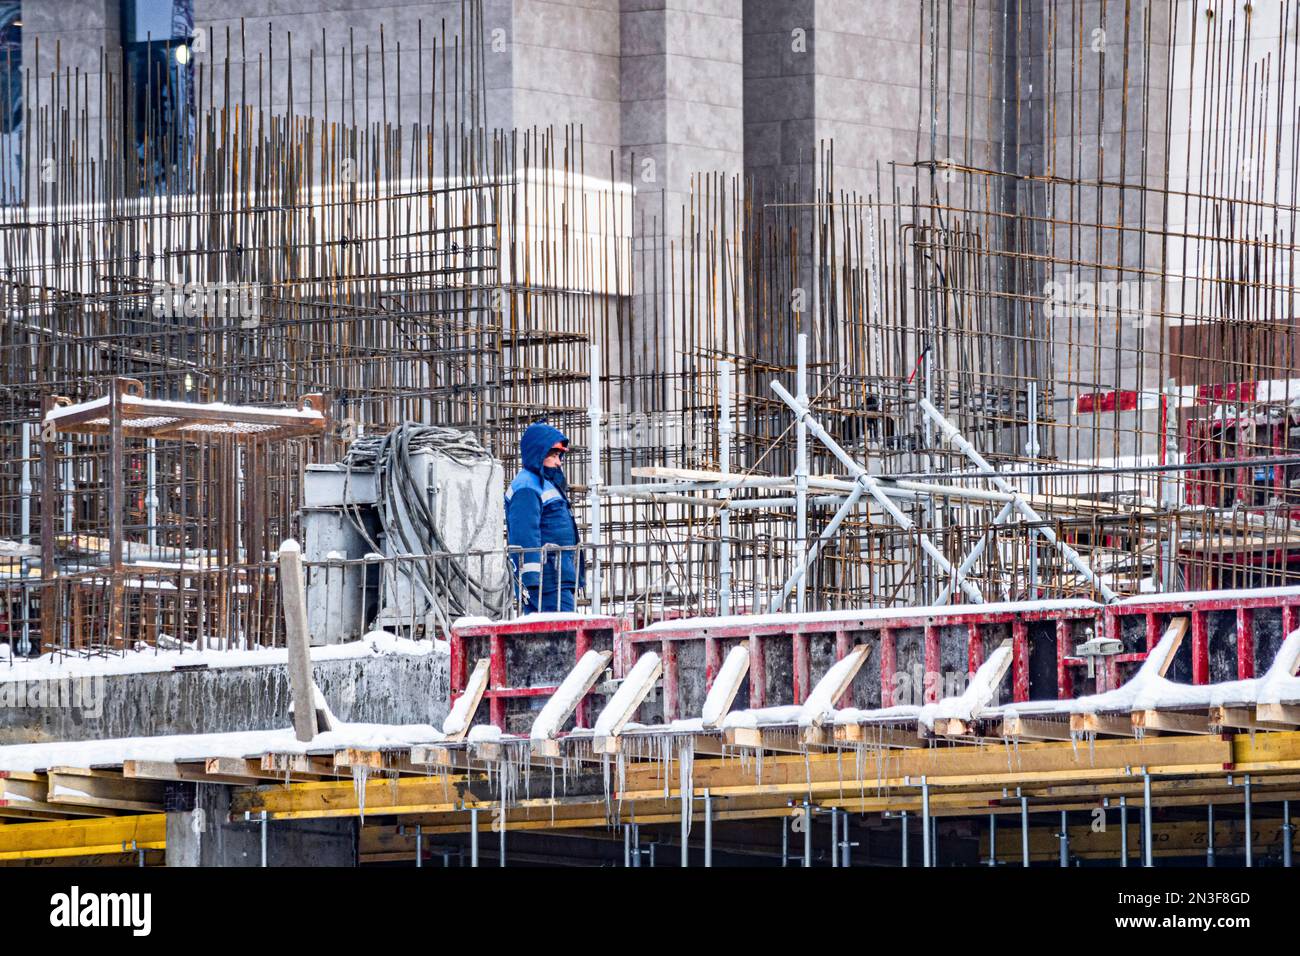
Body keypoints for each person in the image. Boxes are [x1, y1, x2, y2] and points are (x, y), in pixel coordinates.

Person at [506, 422, 583, 612]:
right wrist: (531, 581)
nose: (559, 462)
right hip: (545, 583)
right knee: (561, 636)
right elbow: (525, 536)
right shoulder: (527, 487)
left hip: (556, 578)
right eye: (555, 455)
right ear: (539, 453)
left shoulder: (545, 484)